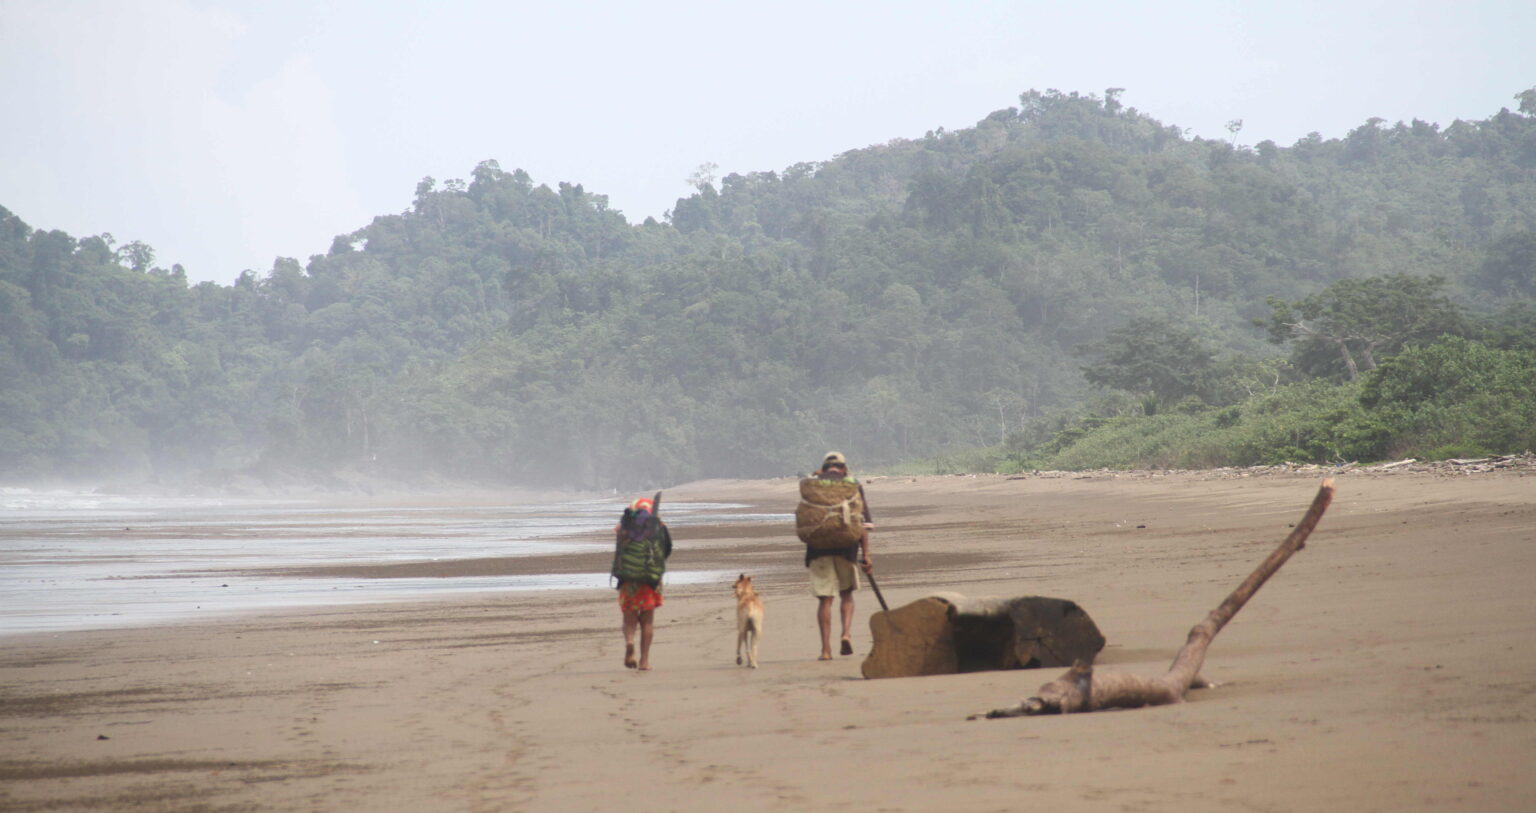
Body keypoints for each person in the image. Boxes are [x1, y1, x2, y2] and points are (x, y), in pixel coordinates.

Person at [806, 451, 873, 660]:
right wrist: (866, 556)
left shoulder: (813, 485)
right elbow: (863, 525)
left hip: (818, 551)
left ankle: (825, 650)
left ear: (824, 468)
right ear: (844, 468)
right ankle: (846, 634)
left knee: (825, 601)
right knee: (847, 595)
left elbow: (805, 519)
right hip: (847, 549)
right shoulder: (852, 485)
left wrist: (816, 475)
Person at [611, 495, 673, 671]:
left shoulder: (624, 526)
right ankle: (644, 661)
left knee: (629, 618)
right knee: (647, 621)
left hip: (628, 579)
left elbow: (619, 552)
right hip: (649, 580)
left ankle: (630, 642)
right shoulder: (658, 525)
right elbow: (667, 548)